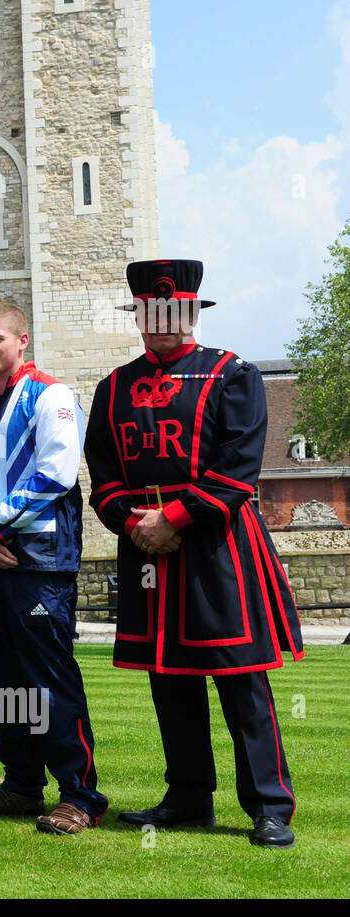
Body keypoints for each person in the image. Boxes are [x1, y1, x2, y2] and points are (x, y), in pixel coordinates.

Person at [86, 259, 303, 848]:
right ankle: (187, 797)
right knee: (169, 677)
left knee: (240, 677)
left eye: (171, 311)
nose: (159, 322)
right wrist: (135, 524)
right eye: (148, 312)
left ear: (190, 312)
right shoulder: (114, 388)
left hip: (219, 547)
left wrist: (173, 518)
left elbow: (237, 472)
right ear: (138, 316)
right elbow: (101, 477)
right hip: (147, 549)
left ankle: (269, 805)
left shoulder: (234, 374)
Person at [0, 301, 108, 836]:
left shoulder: (52, 395)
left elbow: (55, 475)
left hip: (40, 560)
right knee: (10, 682)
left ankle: (79, 795)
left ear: (23, 341)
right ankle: (21, 783)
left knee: (48, 678)